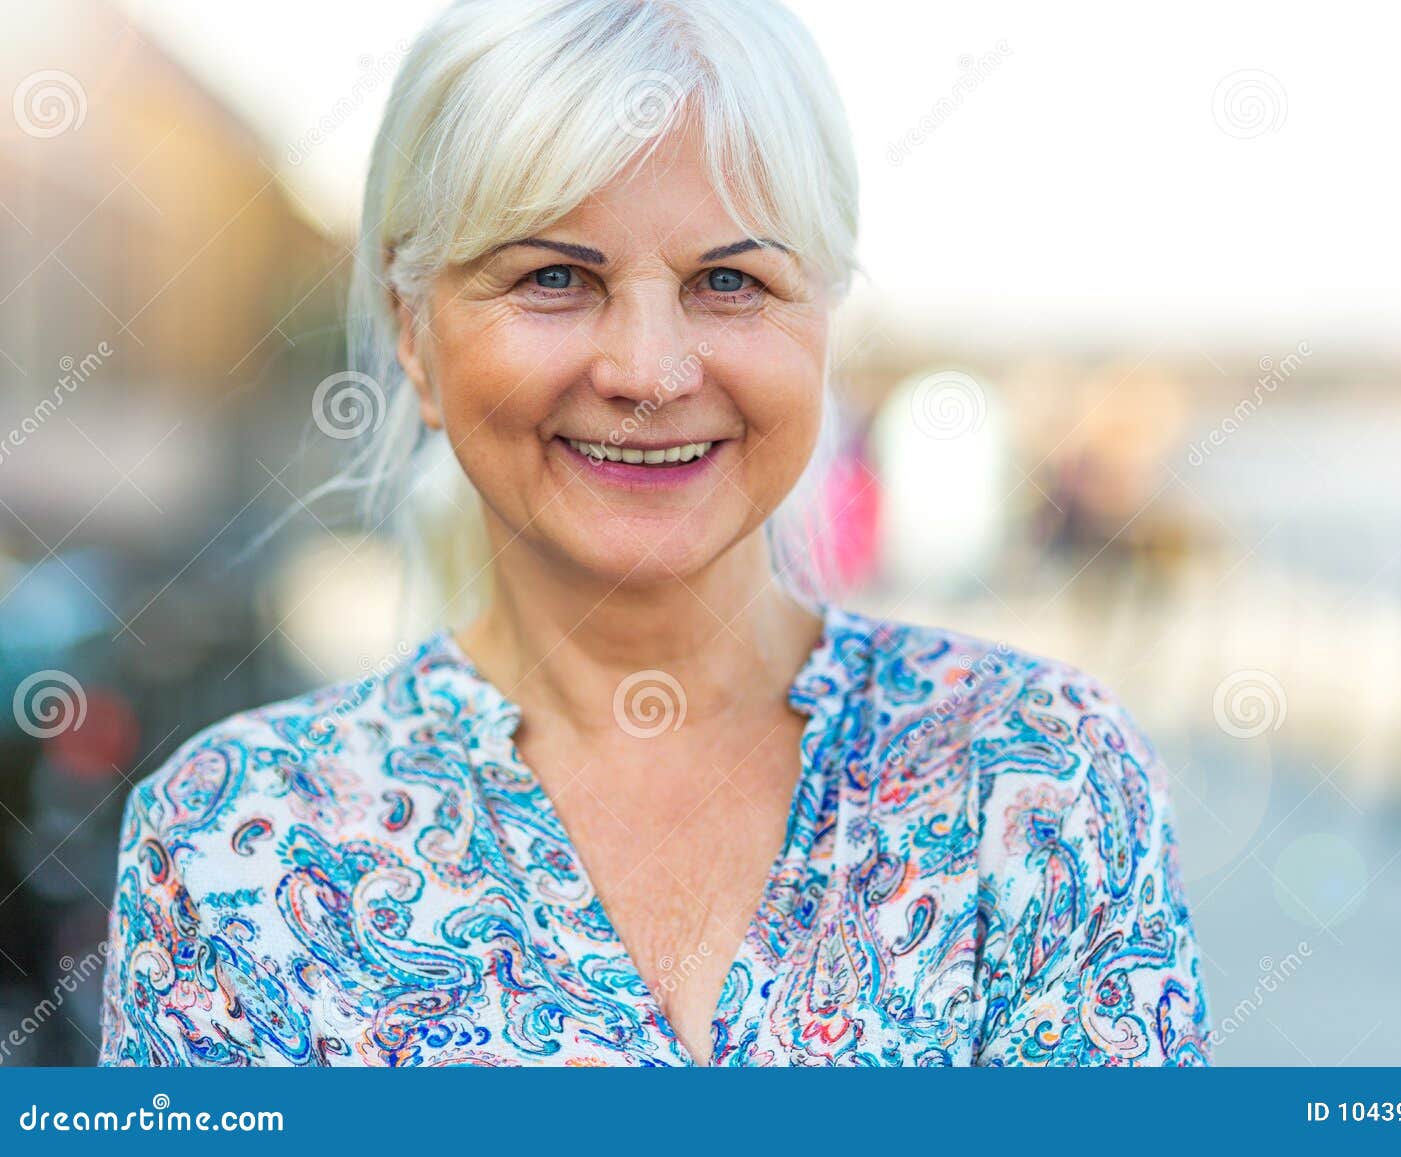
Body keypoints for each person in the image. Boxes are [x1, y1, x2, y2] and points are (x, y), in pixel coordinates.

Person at [99, 0, 1211, 1067]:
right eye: (552, 277)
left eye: (729, 280)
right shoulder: (229, 843)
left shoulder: (1037, 779)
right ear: (413, 333)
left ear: (824, 315)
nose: (647, 370)